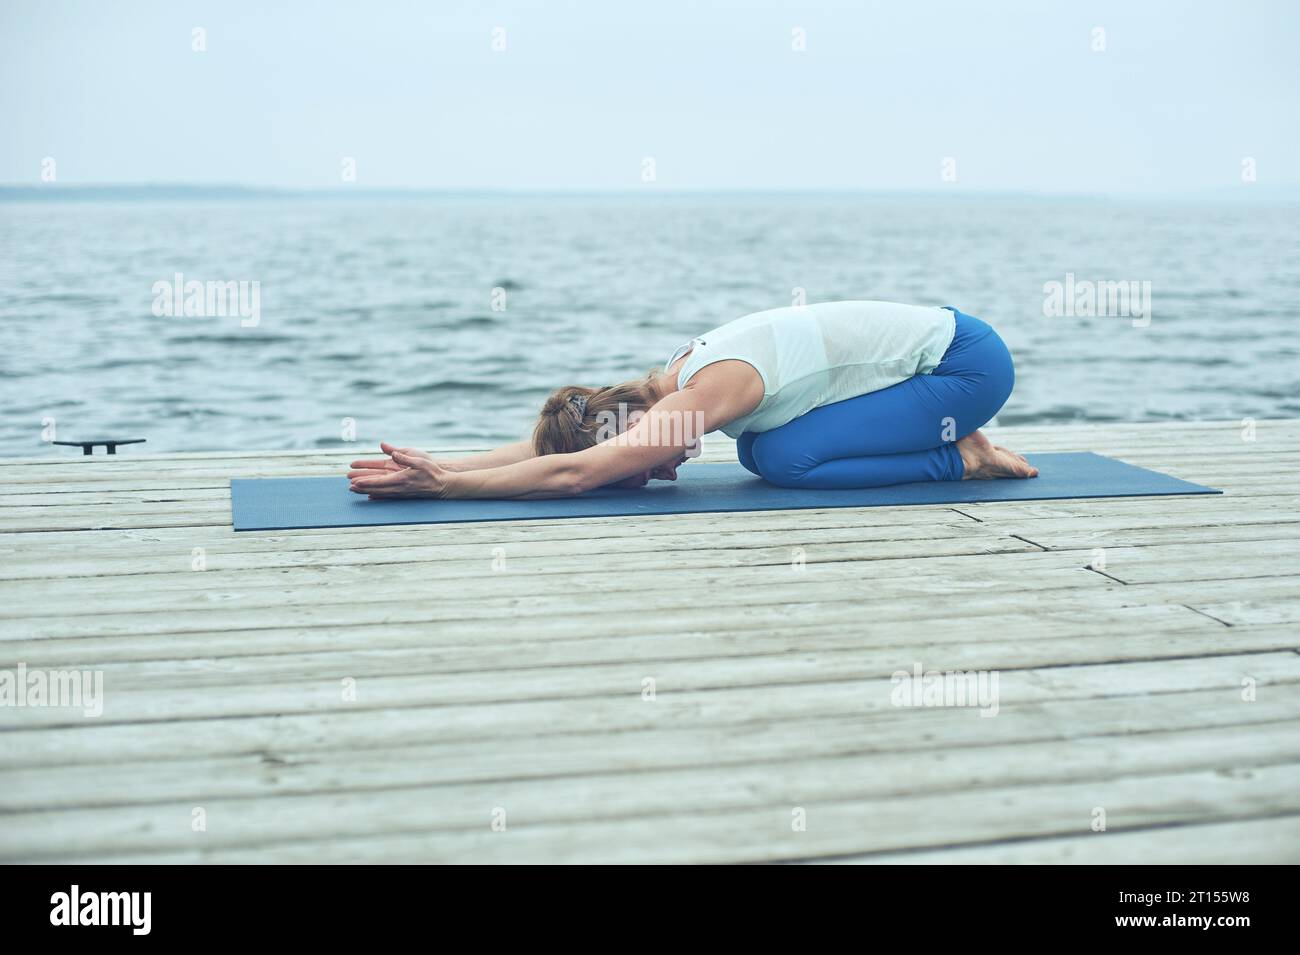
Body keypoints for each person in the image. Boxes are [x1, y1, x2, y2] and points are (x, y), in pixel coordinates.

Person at [348, 301, 1037, 499]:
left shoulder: (701, 389)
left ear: (632, 422)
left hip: (966, 368)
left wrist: (448, 492)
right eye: (642, 469)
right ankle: (949, 444)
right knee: (765, 447)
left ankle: (962, 460)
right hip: (941, 355)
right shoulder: (664, 390)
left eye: (640, 462)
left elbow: (579, 469)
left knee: (784, 460)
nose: (657, 470)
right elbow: (557, 451)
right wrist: (446, 462)